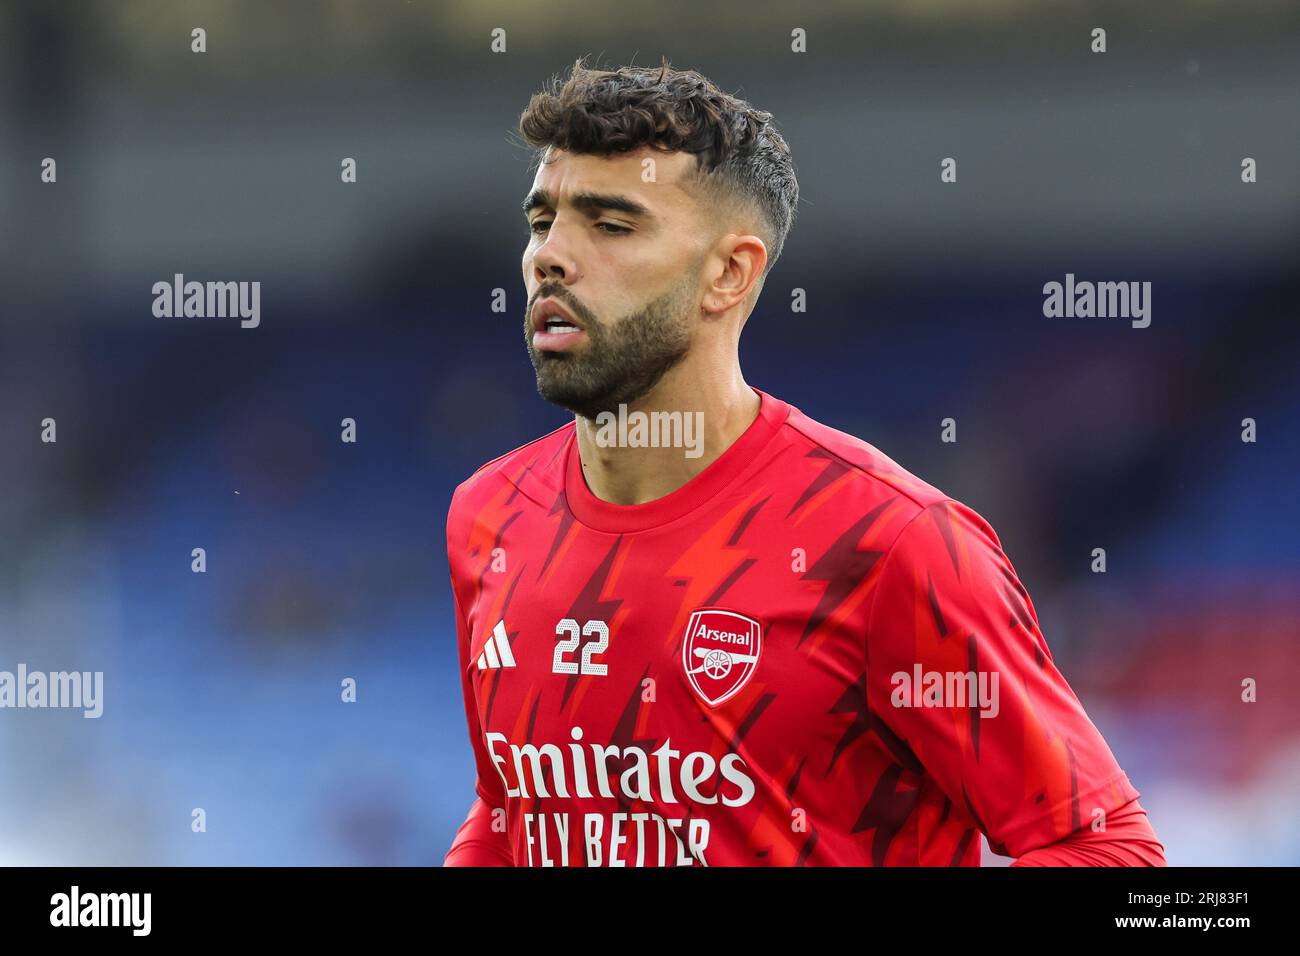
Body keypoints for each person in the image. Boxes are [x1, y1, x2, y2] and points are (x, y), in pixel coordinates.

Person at [443, 58, 1164, 867]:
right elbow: (511, 809)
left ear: (729, 273)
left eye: (610, 225)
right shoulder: (489, 514)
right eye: (543, 221)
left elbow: (1108, 849)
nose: (551, 256)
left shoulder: (889, 543)